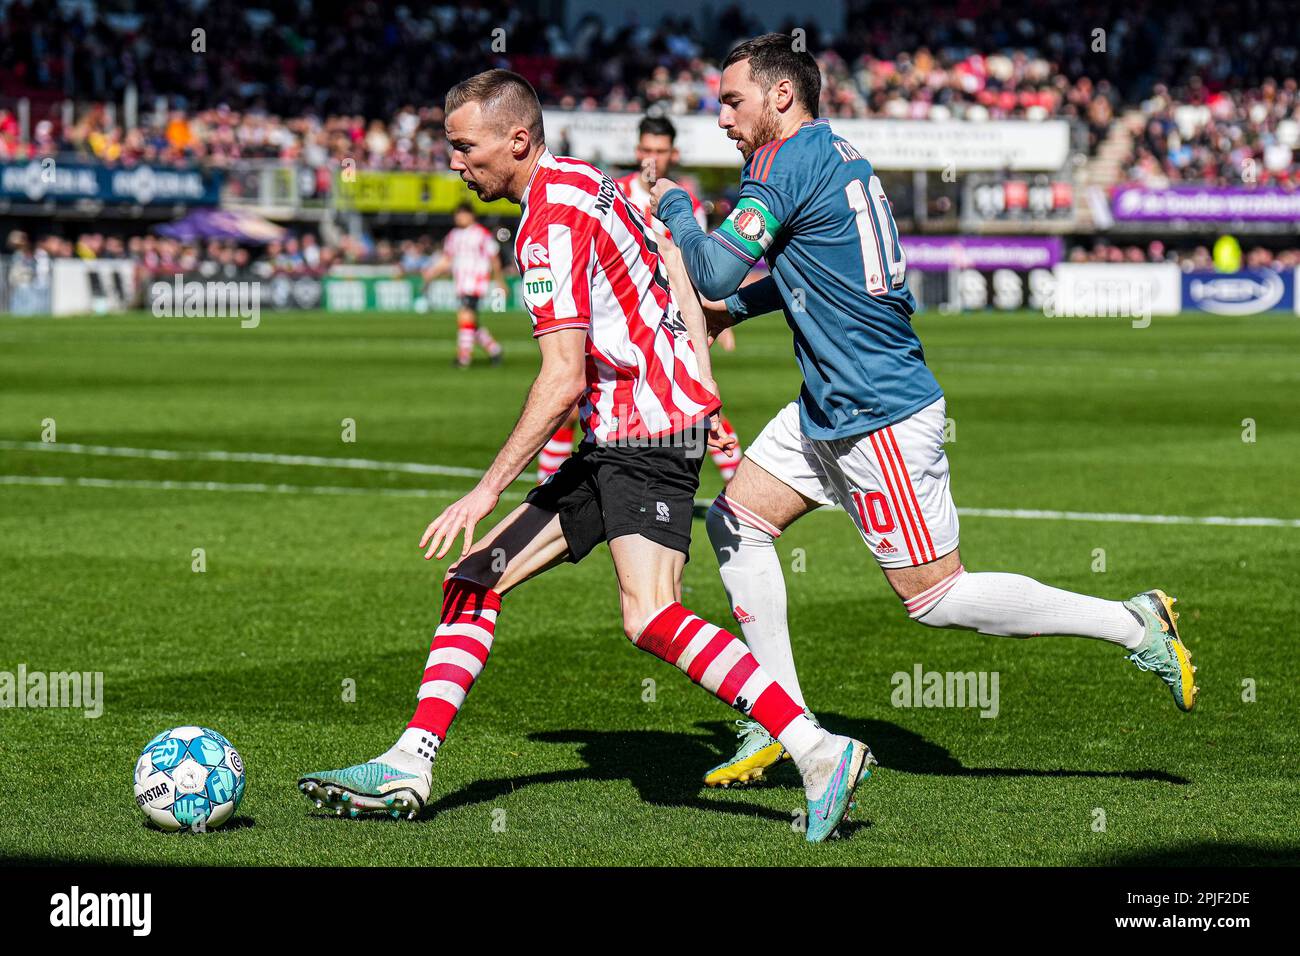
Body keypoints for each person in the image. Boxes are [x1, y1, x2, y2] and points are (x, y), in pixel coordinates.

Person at [299, 68, 874, 843]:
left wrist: (485, 491)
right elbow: (665, 285)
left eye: (465, 148)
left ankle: (815, 749)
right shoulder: (582, 182)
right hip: (633, 427)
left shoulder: (547, 222)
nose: (454, 164)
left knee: (651, 615)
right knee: (476, 576)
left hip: (646, 431)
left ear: (518, 140)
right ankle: (411, 760)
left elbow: (563, 375)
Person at [651, 34, 1197, 788]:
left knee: (937, 599)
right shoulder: (832, 153)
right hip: (829, 406)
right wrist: (735, 314)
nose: (720, 117)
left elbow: (710, 267)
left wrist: (677, 207)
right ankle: (783, 722)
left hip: (875, 413)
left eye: (732, 100)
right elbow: (812, 269)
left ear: (782, 95)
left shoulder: (783, 162)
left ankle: (1133, 623)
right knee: (736, 520)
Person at [537, 114, 742, 484]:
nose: (652, 159)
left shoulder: (687, 205)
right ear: (637, 151)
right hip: (614, 319)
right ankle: (549, 488)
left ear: (673, 154)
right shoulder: (612, 192)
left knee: (695, 399)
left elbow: (690, 264)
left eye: (660, 152)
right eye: (646, 150)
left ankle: (735, 488)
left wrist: (716, 315)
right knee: (572, 403)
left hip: (667, 321)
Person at [424, 203, 505, 368]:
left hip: (475, 282)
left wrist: (499, 281)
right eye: (457, 215)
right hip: (461, 284)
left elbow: (494, 257)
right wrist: (432, 272)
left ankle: (464, 358)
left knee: (465, 317)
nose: (458, 217)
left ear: (471, 215)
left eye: (462, 214)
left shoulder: (481, 234)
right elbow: (448, 259)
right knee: (469, 322)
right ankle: (494, 349)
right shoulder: (453, 236)